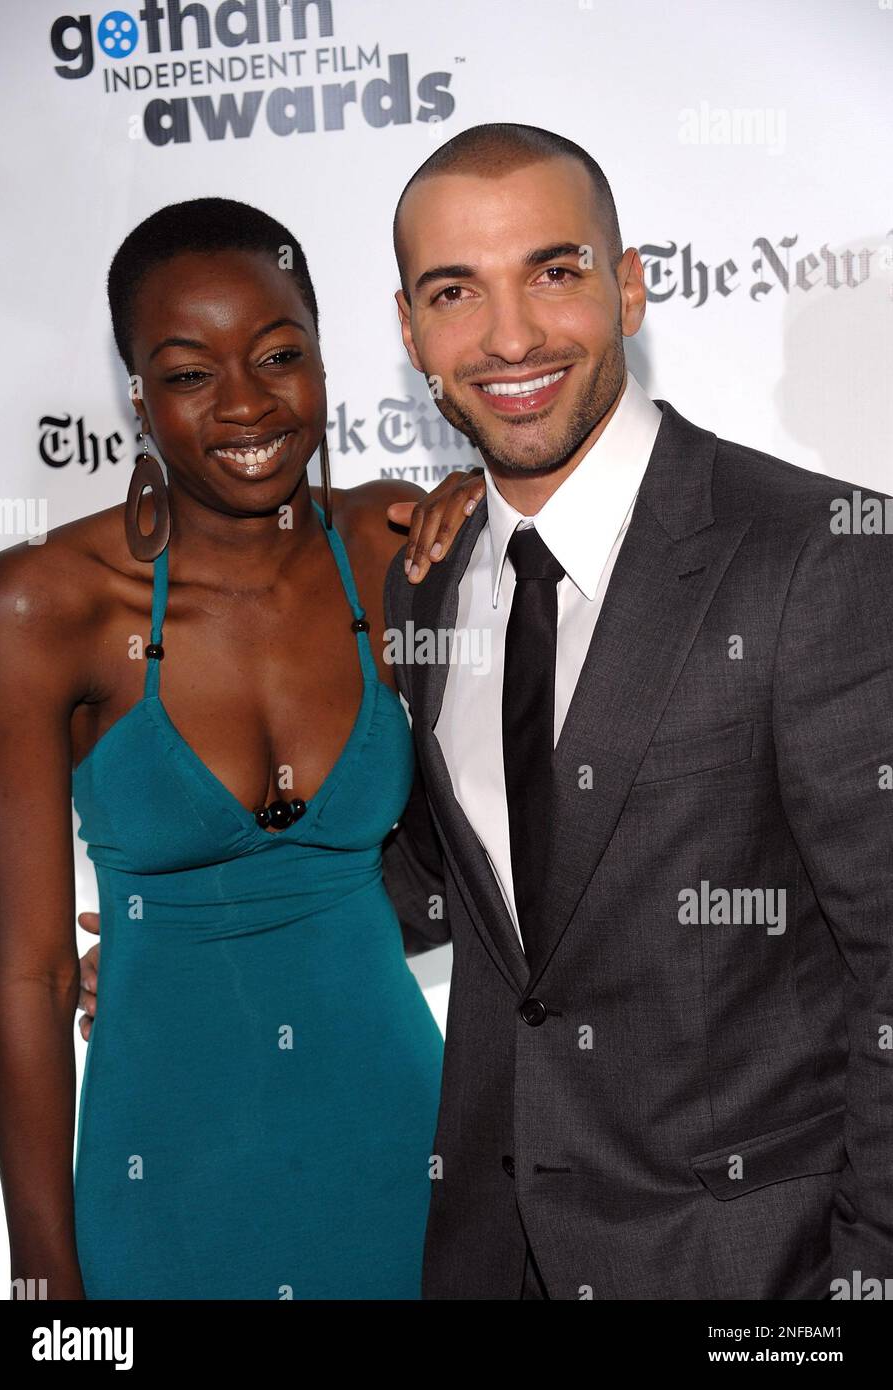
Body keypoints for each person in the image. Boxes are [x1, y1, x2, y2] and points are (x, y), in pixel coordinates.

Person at [381, 123, 893, 1299]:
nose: (509, 338)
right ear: (409, 330)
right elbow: (456, 895)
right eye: (456, 291)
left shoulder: (815, 557)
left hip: (750, 1274)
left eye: (552, 272)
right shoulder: (426, 571)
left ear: (628, 285)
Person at [0, 196, 483, 1300]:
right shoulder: (41, 605)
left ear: (322, 356)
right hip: (161, 1171)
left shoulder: (391, 543)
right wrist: (39, 1278)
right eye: (189, 372)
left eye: (277, 354)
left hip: (402, 1142)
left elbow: (519, 827)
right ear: (139, 399)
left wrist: (493, 511)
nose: (246, 402)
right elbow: (27, 975)